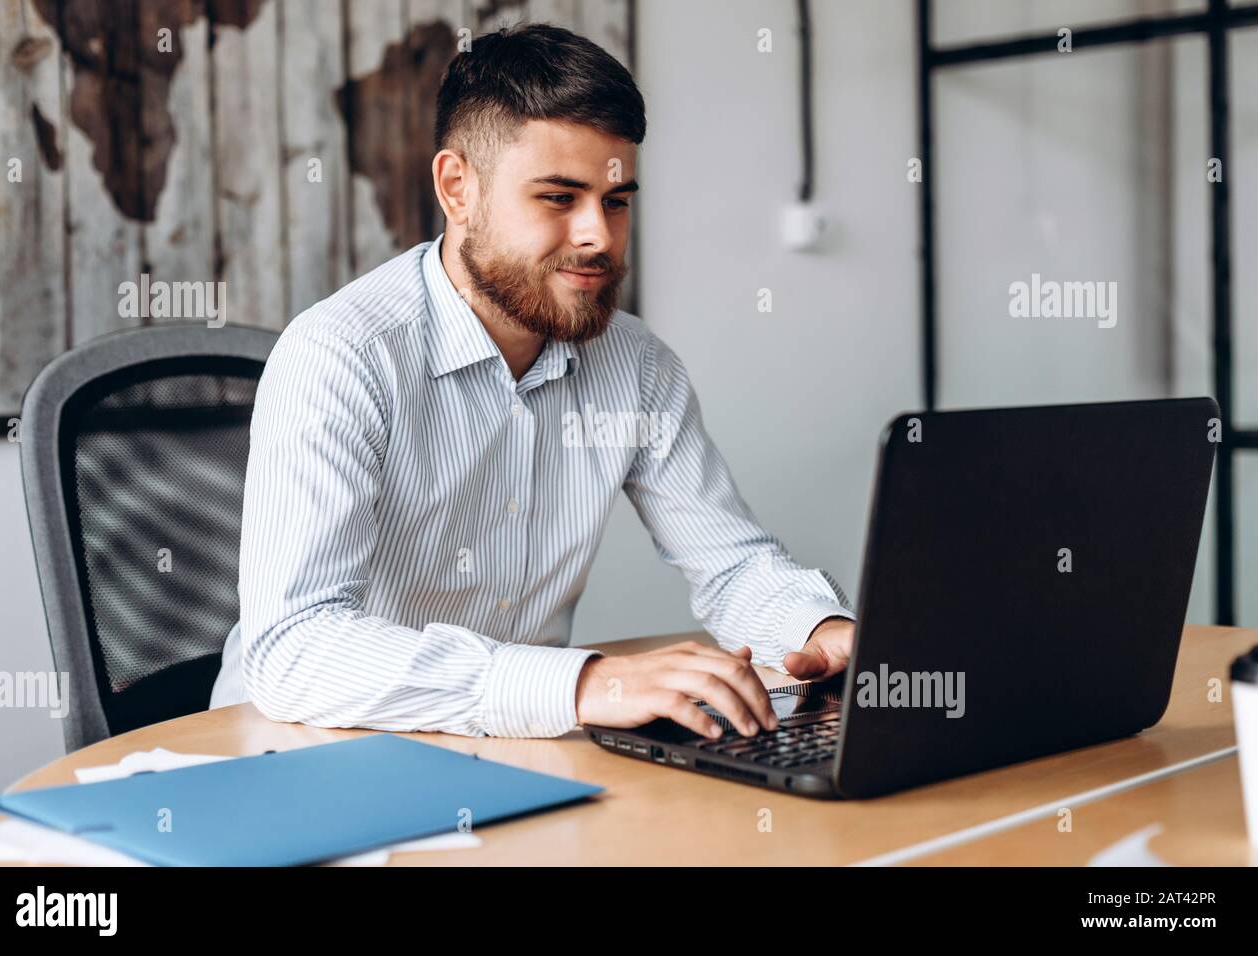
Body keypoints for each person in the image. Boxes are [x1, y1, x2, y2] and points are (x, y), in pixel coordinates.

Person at [210, 23, 855, 742]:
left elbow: (732, 565)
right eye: (558, 197)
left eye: (616, 201)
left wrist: (821, 628)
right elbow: (294, 650)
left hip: (517, 759)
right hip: (305, 755)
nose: (599, 238)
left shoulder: (635, 364)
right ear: (458, 188)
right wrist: (583, 682)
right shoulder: (340, 355)